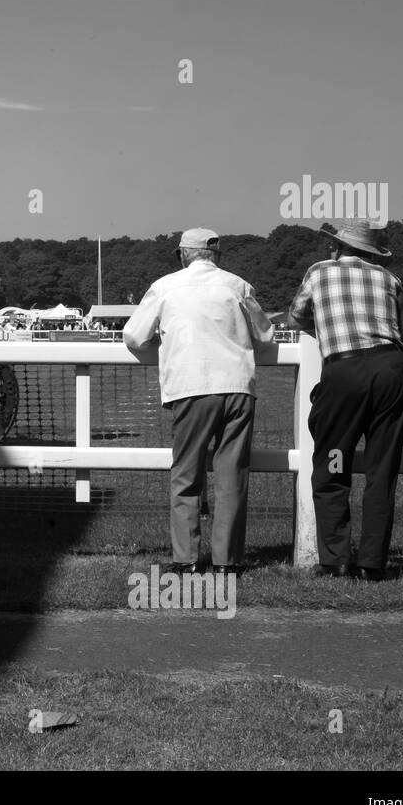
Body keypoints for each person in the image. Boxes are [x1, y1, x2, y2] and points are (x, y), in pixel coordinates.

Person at [123, 228, 275, 575]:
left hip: (191, 386)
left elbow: (133, 335)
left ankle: (186, 558)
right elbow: (265, 336)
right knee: (231, 475)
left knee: (186, 474)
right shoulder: (238, 285)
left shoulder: (164, 287)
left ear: (182, 255)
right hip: (237, 386)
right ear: (215, 255)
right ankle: (227, 561)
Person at [287, 223, 403, 582]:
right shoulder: (390, 280)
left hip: (344, 376)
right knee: (381, 470)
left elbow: (295, 316)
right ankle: (372, 563)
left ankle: (335, 559)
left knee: (333, 463)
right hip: (390, 371)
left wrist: (328, 330)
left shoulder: (318, 272)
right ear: (373, 254)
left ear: (336, 248)